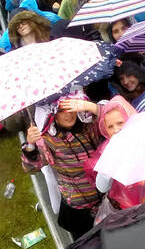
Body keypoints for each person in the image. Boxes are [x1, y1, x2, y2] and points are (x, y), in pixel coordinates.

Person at [21, 95, 104, 238]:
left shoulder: (89, 126)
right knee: (89, 244)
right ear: (52, 115)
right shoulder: (48, 140)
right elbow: (31, 168)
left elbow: (111, 115)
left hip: (107, 196)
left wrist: (92, 107)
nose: (69, 114)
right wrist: (30, 145)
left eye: (71, 108)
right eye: (61, 111)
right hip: (80, 205)